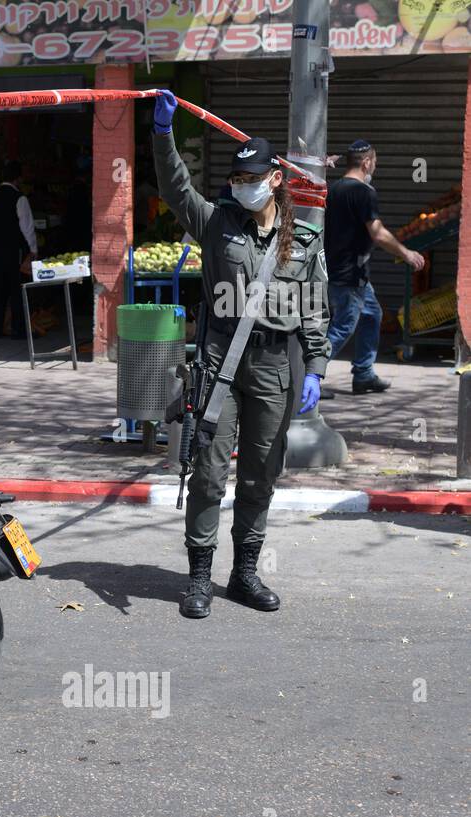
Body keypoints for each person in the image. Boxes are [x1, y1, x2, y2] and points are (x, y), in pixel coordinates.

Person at [153, 91, 329, 620]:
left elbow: (317, 305)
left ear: (274, 179)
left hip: (277, 366)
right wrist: (162, 136)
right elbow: (175, 188)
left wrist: (316, 368)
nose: (241, 187)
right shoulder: (216, 223)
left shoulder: (305, 236)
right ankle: (200, 578)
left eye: (250, 179)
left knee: (260, 473)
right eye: (235, 180)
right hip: (219, 363)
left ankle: (245, 573)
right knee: (208, 470)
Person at [322, 139, 425, 397]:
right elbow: (377, 234)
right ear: (367, 162)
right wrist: (406, 253)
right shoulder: (364, 192)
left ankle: (364, 374)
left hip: (341, 268)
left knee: (372, 315)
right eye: (375, 163)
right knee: (344, 325)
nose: (375, 168)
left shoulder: (335, 189)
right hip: (349, 272)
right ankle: (307, 377)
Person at [0, 160, 38, 340]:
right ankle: (18, 330)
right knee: (17, 291)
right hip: (15, 252)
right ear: (18, 178)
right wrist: (33, 250)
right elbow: (27, 228)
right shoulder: (20, 198)